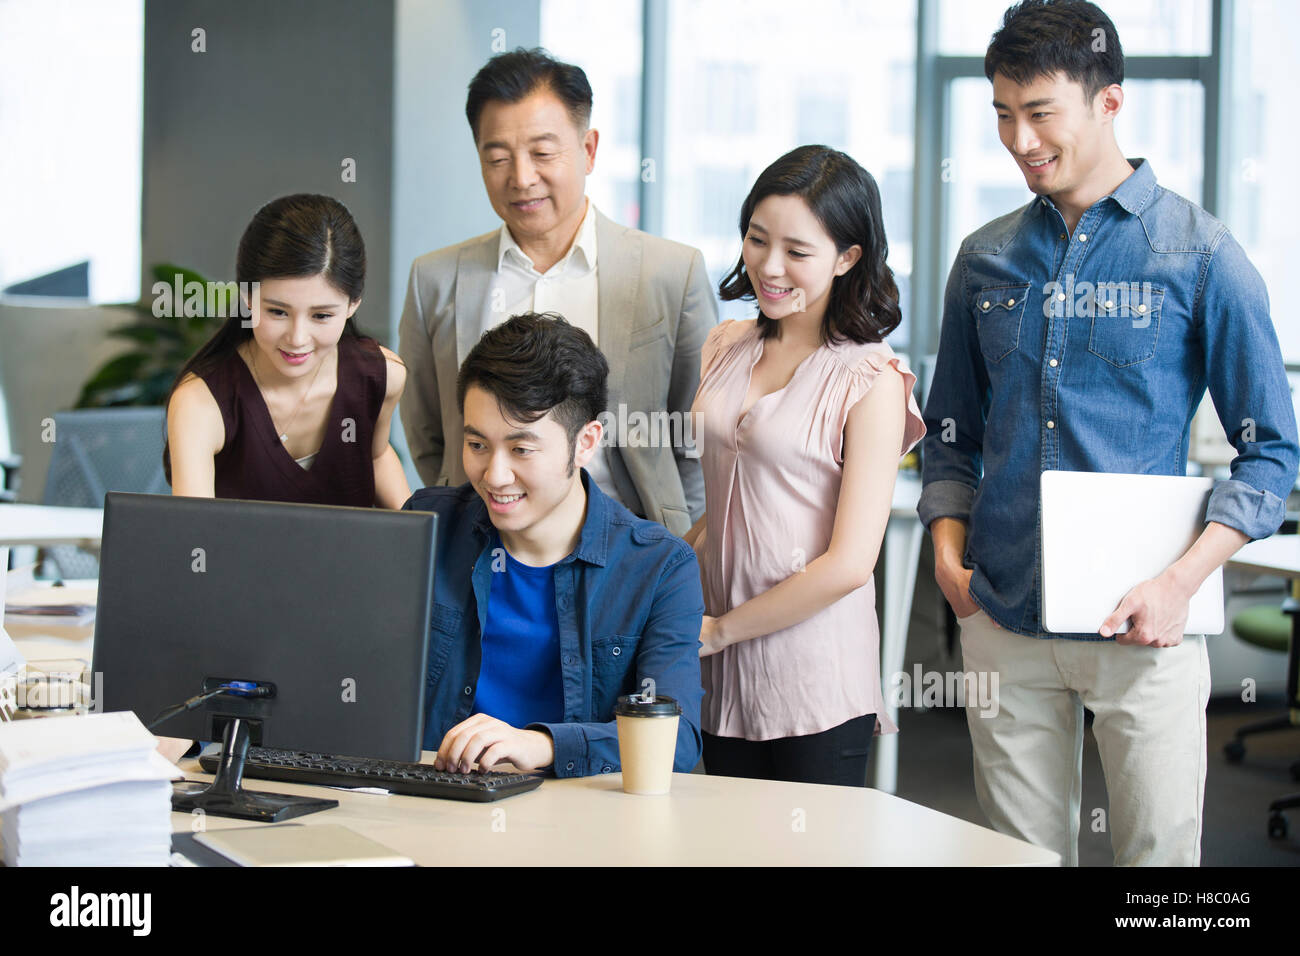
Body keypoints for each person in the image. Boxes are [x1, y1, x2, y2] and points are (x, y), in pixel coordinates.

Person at [918, 0, 1300, 866]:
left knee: (1157, 876)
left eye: (1040, 112)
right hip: (1005, 617)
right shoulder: (985, 258)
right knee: (1018, 859)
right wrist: (949, 555)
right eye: (1003, 115)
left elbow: (1272, 451)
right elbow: (950, 435)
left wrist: (1179, 584)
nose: (1018, 139)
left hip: (1146, 627)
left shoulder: (1202, 255)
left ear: (1109, 102)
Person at [398, 48, 716, 536]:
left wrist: (675, 544)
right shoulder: (436, 280)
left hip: (631, 548)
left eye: (543, 153)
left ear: (588, 150)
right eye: (498, 158)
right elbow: (429, 434)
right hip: (483, 551)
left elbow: (698, 436)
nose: (522, 178)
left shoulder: (670, 273)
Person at [684, 146, 925, 787]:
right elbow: (730, 498)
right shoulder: (724, 344)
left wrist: (723, 631)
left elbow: (849, 564)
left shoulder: (872, 377)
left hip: (810, 671)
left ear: (848, 259)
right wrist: (666, 583)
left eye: (797, 251)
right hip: (714, 660)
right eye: (757, 239)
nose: (768, 266)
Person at [404, 312, 703, 776]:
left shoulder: (659, 566)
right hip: (432, 802)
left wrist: (542, 745)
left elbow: (677, 739)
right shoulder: (428, 527)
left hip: (576, 822)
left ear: (585, 443)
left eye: (521, 449)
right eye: (477, 445)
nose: (494, 475)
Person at [165, 194, 410, 508]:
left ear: (353, 305)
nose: (297, 338)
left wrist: (419, 542)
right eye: (278, 312)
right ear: (248, 297)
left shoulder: (382, 375)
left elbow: (376, 456)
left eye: (321, 316)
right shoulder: (200, 402)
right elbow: (192, 534)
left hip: (352, 558)